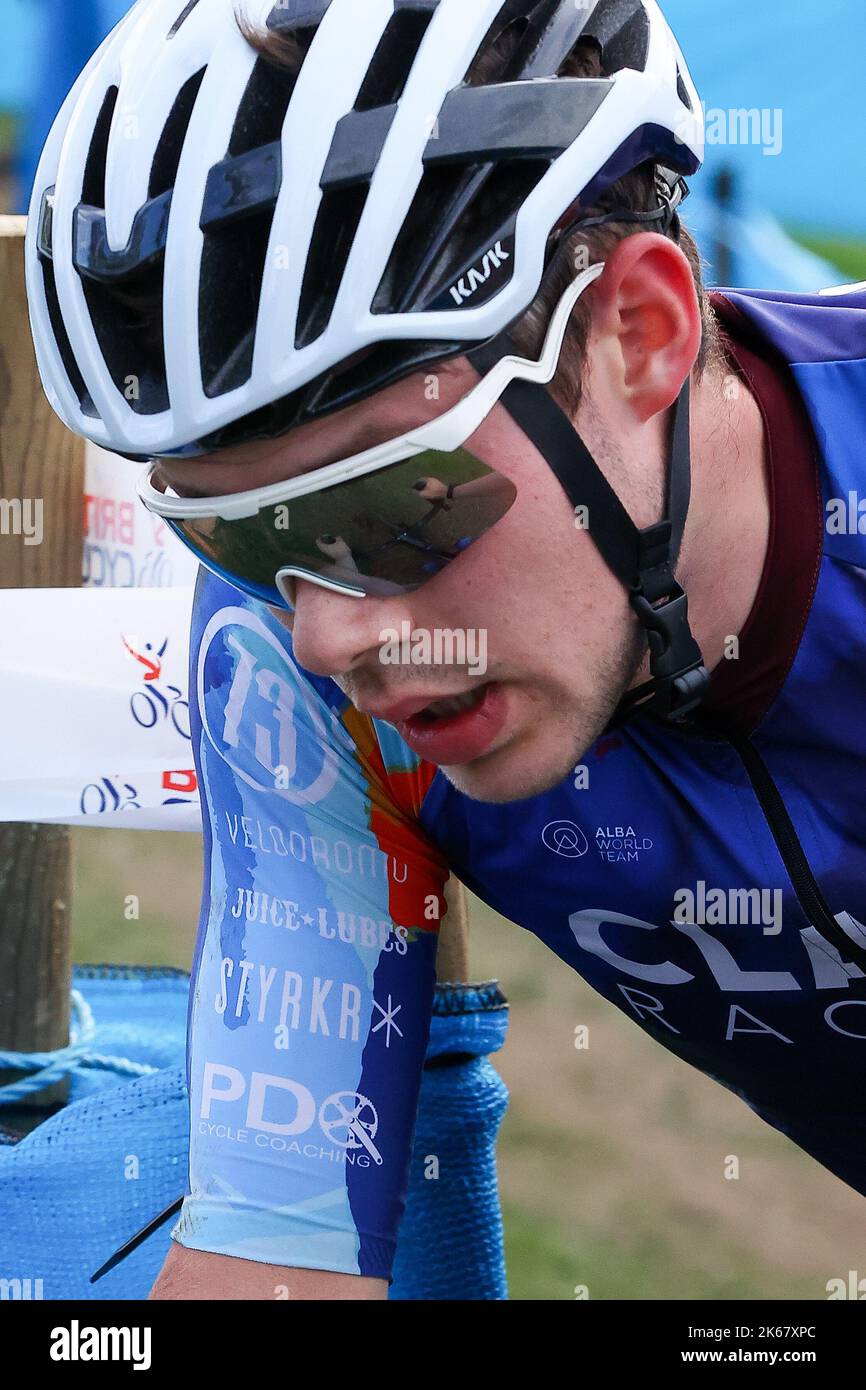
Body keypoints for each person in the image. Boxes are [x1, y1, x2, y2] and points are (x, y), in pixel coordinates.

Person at [25, 0, 866, 1302]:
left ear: (635, 335)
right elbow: (272, 1261)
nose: (327, 631)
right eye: (243, 538)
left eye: (388, 511)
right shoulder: (286, 659)